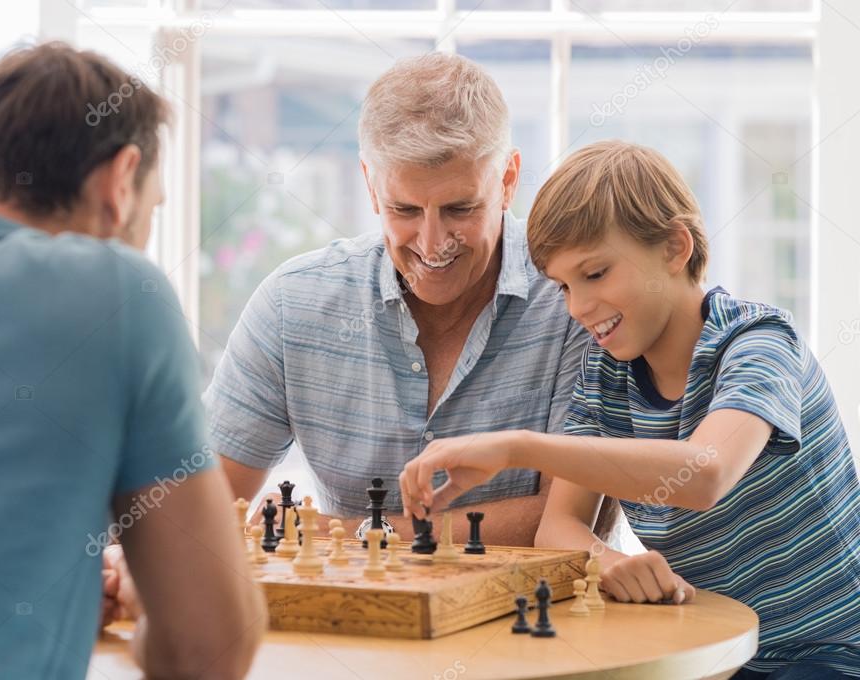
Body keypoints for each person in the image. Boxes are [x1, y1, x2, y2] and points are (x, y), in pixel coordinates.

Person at [0, 43, 264, 680]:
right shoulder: (118, 288)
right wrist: (146, 600)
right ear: (121, 183)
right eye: (153, 207)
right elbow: (208, 653)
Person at [398, 140, 860, 678]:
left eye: (594, 275)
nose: (578, 308)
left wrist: (514, 447)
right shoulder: (607, 374)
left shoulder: (758, 342)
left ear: (674, 248)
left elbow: (704, 473)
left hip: (830, 653)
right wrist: (609, 561)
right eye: (564, 286)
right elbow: (559, 525)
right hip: (716, 654)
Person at [205, 52, 591, 547]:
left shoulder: (574, 302)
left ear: (508, 180)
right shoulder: (291, 307)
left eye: (460, 208)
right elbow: (204, 507)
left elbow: (573, 523)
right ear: (370, 184)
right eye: (404, 209)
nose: (433, 244)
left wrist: (344, 534)